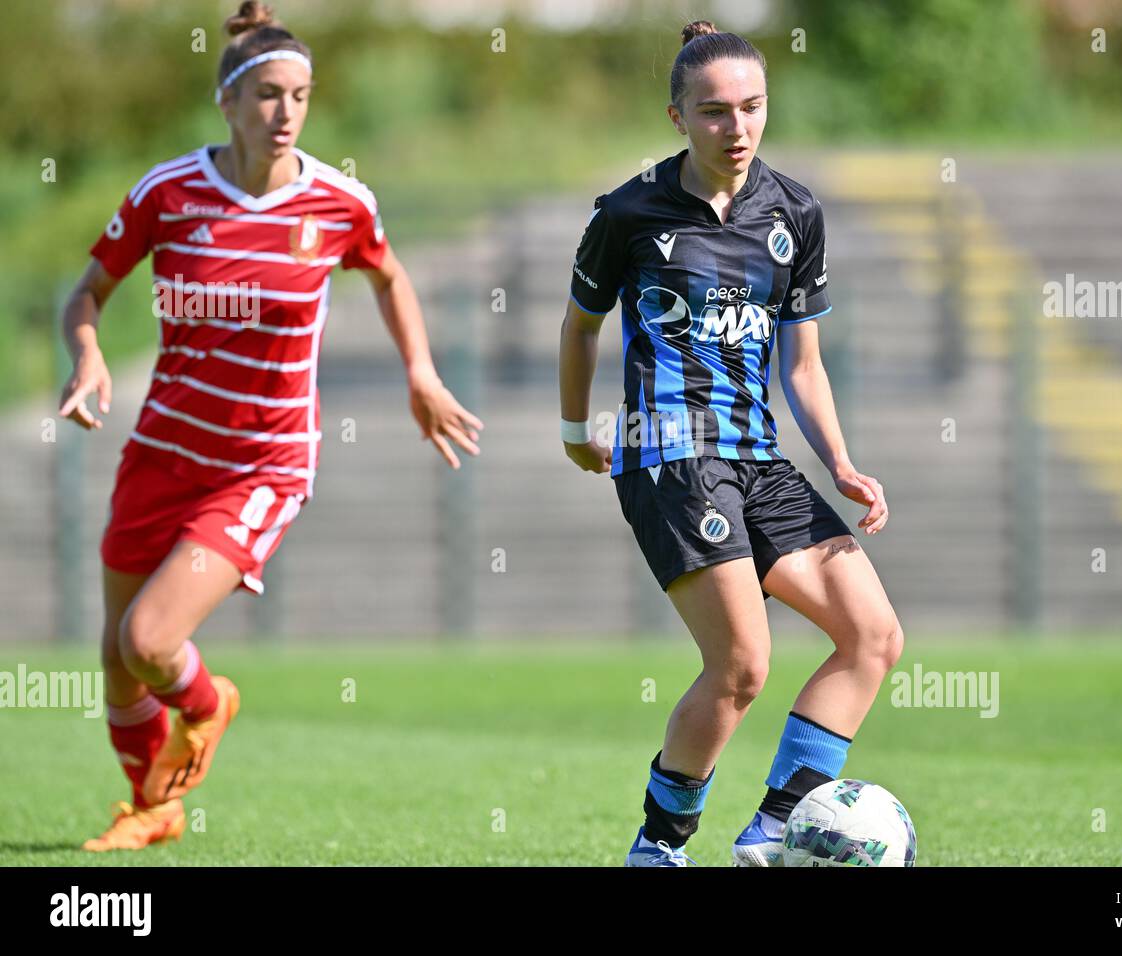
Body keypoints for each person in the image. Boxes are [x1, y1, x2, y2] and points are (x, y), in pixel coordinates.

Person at [60, 0, 483, 851]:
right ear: (226, 100)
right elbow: (87, 294)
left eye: (300, 95)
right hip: (159, 451)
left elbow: (391, 275)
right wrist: (89, 356)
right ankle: (152, 806)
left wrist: (421, 373)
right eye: (265, 94)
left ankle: (210, 705)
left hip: (263, 463)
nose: (284, 112)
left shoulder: (338, 202)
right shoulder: (168, 193)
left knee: (150, 640)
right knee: (115, 658)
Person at [558, 20, 904, 866]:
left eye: (752, 107)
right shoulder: (629, 212)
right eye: (715, 112)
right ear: (677, 116)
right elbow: (579, 328)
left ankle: (778, 826)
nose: (738, 128)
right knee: (744, 663)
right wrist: (575, 432)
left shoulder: (794, 211)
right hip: (669, 456)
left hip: (759, 459)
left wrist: (840, 460)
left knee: (873, 636)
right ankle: (660, 846)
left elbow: (804, 363)